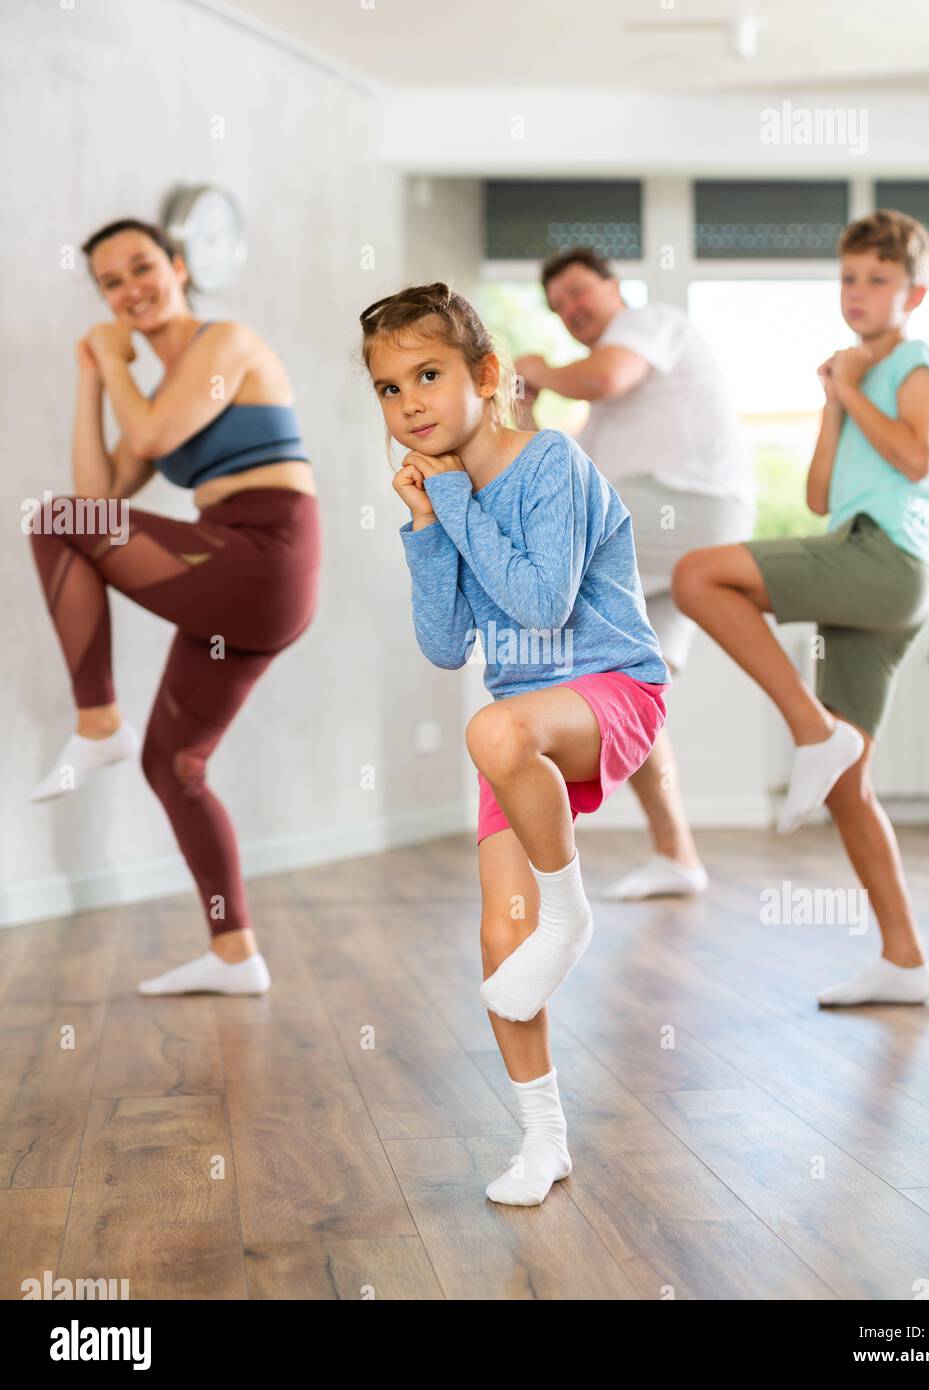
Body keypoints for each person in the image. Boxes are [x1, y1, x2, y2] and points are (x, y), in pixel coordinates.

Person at [361, 281, 670, 1204]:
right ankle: (543, 1139)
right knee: (503, 942)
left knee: (492, 729)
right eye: (386, 388)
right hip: (519, 734)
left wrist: (451, 503)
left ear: (487, 374)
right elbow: (445, 641)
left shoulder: (552, 465)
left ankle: (573, 912)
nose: (408, 402)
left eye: (427, 374)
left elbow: (540, 603)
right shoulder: (445, 492)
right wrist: (425, 525)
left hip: (611, 687)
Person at [27, 219, 321, 996]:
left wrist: (114, 360)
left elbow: (151, 436)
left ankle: (96, 724)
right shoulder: (150, 385)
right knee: (174, 765)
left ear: (180, 267)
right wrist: (95, 374)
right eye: (111, 283)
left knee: (53, 519)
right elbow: (100, 501)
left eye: (143, 267)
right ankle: (236, 954)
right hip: (223, 563)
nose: (131, 289)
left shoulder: (226, 344)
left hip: (268, 552)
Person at [671, 209, 929, 1006]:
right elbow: (819, 493)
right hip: (865, 563)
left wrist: (857, 388)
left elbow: (917, 454)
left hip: (887, 558)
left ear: (915, 292)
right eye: (848, 278)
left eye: (877, 279)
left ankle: (810, 730)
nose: (858, 292)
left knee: (697, 574)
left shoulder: (918, 360)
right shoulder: (853, 374)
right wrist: (833, 400)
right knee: (848, 785)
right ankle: (904, 960)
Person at [514, 248, 755, 902]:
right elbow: (551, 468)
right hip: (660, 548)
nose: (571, 309)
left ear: (614, 287)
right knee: (630, 689)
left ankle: (531, 812)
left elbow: (606, 376)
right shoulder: (602, 422)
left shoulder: (652, 325)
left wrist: (537, 367)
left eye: (578, 292)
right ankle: (677, 856)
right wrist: (526, 403)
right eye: (559, 305)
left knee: (550, 588)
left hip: (691, 510)